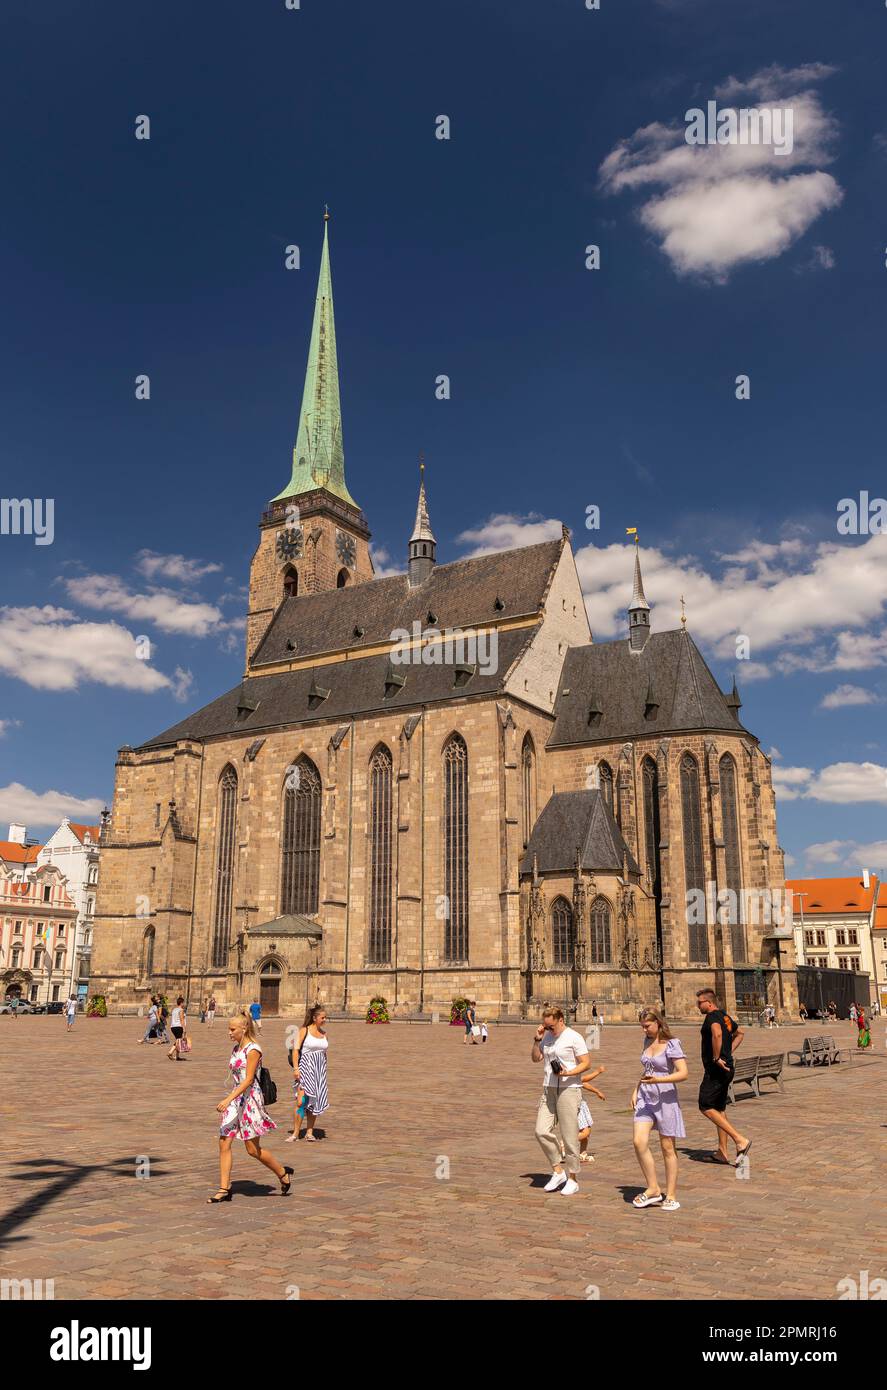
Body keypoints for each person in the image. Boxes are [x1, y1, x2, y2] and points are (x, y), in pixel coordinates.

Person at [207, 1011, 292, 1203]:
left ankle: (282, 1172)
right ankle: (224, 1188)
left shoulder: (253, 1049)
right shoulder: (236, 1048)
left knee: (252, 1150)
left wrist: (228, 1099)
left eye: (232, 1029)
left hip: (249, 1100)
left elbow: (249, 1080)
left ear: (244, 1029)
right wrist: (231, 1100)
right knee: (223, 1141)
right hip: (236, 1099)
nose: (229, 1033)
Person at [631, 1007, 689, 1210]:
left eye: (647, 1026)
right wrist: (636, 1089)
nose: (644, 1030)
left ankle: (671, 1194)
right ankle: (653, 1188)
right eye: (642, 1027)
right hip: (645, 1098)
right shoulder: (647, 1041)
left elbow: (683, 1073)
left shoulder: (672, 1043)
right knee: (639, 1141)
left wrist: (659, 1079)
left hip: (666, 1097)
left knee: (667, 1148)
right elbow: (646, 1070)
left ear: (658, 1023)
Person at [532, 1006, 590, 1196]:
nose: (548, 1030)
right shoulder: (546, 1037)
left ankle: (573, 1178)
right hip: (549, 1088)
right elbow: (536, 1058)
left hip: (569, 1089)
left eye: (550, 1026)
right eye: (545, 1026)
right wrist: (537, 1039)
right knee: (540, 1131)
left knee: (569, 1134)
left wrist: (568, 1073)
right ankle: (558, 1171)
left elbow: (586, 1062)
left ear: (560, 1020)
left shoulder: (574, 1037)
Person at [696, 988, 751, 1166]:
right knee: (719, 1109)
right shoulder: (725, 1016)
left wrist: (717, 1057)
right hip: (727, 1068)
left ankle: (739, 1139)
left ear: (709, 1003)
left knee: (705, 1105)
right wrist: (729, 1051)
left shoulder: (712, 1017)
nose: (698, 1005)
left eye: (700, 1002)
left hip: (716, 1070)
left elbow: (717, 1033)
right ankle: (722, 1152)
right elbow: (740, 1033)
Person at [291, 1005, 330, 1141]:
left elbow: (324, 1053)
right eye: (322, 1018)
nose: (325, 1020)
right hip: (305, 1068)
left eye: (325, 1017)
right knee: (301, 1102)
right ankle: (295, 1133)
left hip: (319, 1070)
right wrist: (296, 1068)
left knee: (314, 1101)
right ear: (314, 1018)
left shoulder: (324, 1034)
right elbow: (296, 1050)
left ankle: (309, 1132)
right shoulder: (304, 1031)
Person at [577, 1063, 605, 1163]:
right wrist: (598, 1072)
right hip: (577, 1105)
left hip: (582, 1104)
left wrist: (597, 1091)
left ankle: (582, 1153)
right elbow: (584, 1079)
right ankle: (565, 1143)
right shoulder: (569, 1070)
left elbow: (582, 1083)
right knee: (585, 1132)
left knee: (588, 1129)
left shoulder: (573, 1071)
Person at [168, 995, 188, 1061]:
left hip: (173, 1027)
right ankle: (170, 1052)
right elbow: (182, 1019)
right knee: (178, 1041)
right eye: (183, 1003)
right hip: (178, 1027)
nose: (184, 1004)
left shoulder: (174, 1010)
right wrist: (184, 1029)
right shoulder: (181, 1010)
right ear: (181, 1003)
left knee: (178, 1040)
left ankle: (177, 1056)